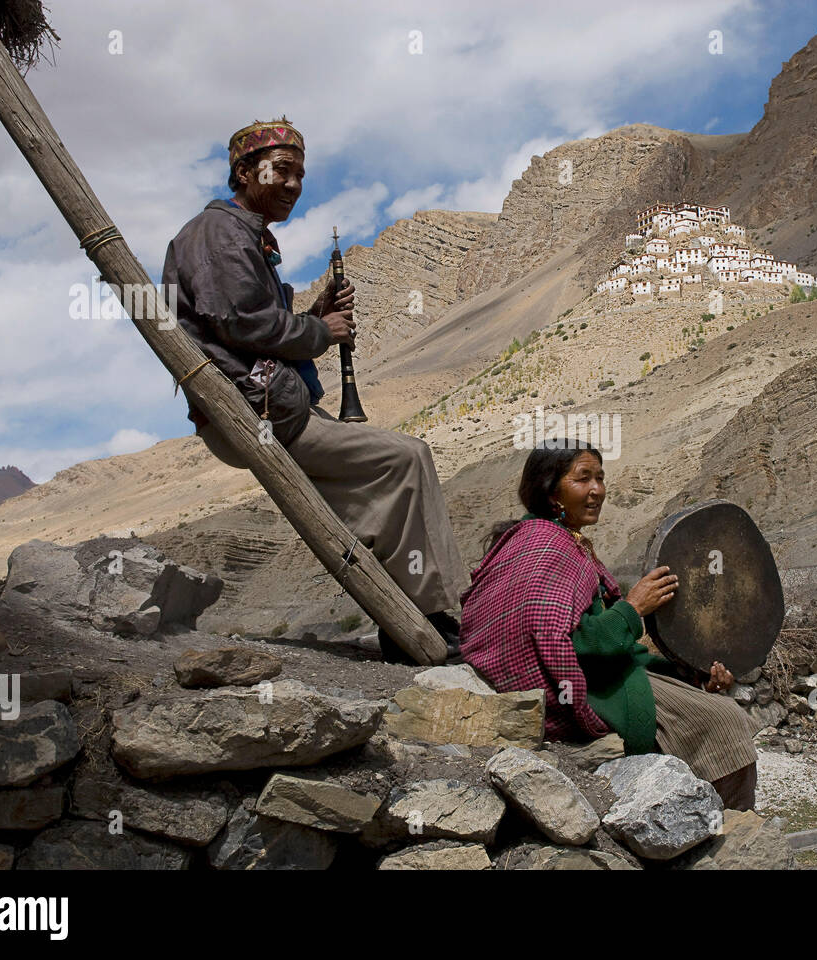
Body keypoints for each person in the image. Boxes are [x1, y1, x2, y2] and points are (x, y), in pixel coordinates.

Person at [162, 118, 467, 661]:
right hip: (256, 411)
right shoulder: (220, 233)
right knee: (409, 457)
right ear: (243, 171)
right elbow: (239, 322)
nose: (293, 184)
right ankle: (434, 619)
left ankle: (407, 618)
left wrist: (311, 316)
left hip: (264, 405)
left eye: (300, 174)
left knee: (385, 476)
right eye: (281, 170)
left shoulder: (238, 234)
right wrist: (322, 332)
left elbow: (249, 325)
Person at [458, 441, 758, 810]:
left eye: (600, 478)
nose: (598, 490)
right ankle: (731, 832)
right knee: (725, 720)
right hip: (584, 686)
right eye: (583, 479)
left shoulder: (554, 540)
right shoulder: (546, 545)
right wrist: (633, 608)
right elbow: (574, 643)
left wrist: (694, 677)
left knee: (712, 702)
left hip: (604, 674)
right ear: (551, 489)